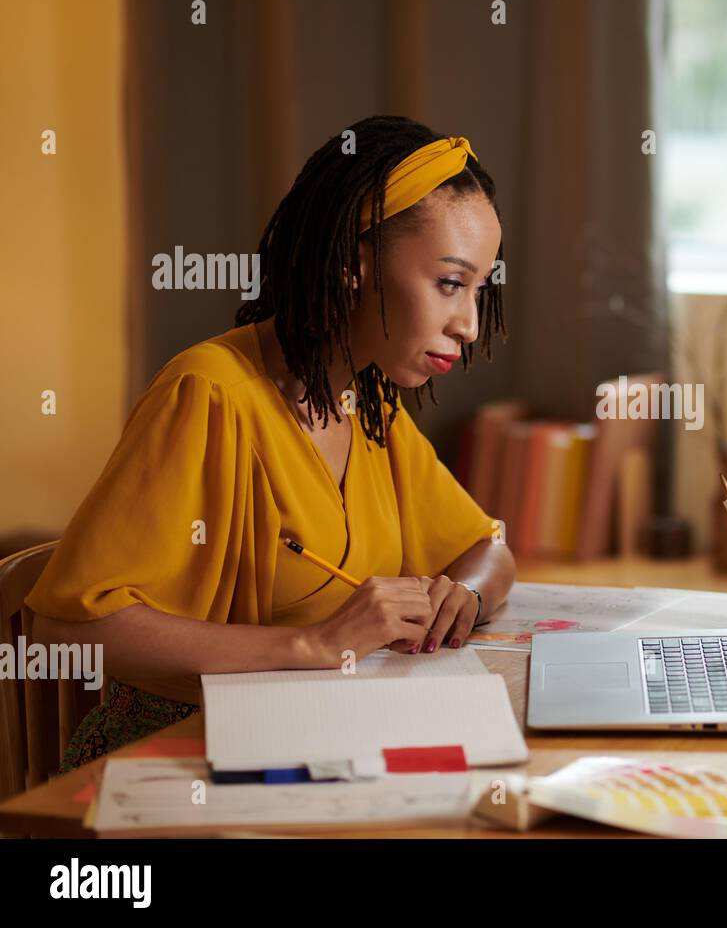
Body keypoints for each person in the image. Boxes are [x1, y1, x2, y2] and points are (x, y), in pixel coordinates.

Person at [26, 116, 516, 771]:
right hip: (179, 760)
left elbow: (487, 546)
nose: (470, 325)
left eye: (480, 289)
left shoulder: (369, 408)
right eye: (451, 284)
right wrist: (315, 646)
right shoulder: (207, 393)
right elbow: (66, 629)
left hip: (314, 741)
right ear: (352, 265)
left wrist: (469, 596)